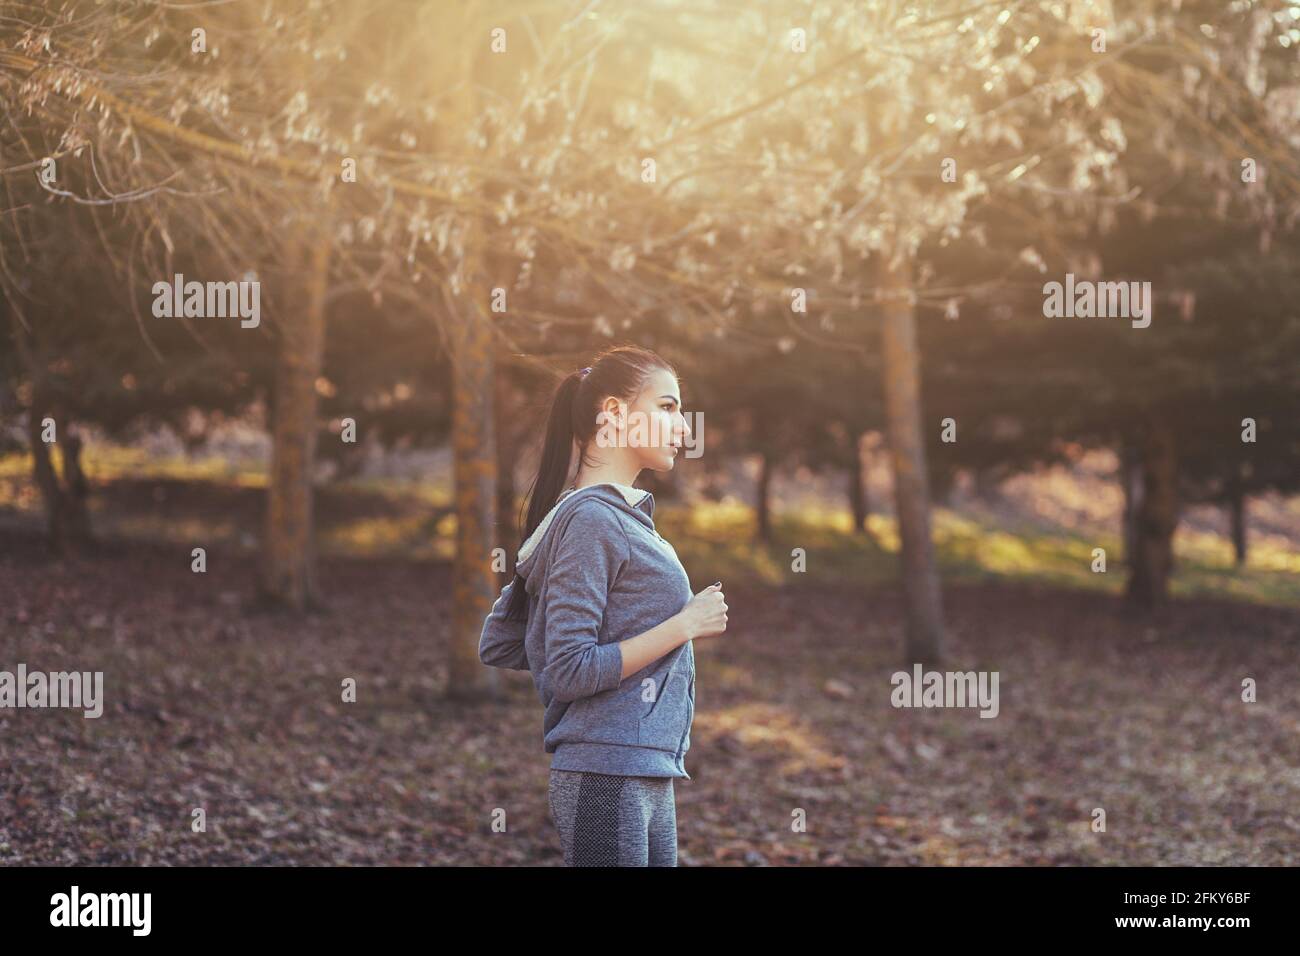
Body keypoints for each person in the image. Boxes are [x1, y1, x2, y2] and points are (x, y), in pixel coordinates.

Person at [479, 344, 728, 866]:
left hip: (643, 765)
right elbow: (567, 669)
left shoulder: (607, 517)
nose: (683, 428)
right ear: (614, 413)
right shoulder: (590, 520)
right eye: (667, 407)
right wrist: (683, 625)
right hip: (604, 769)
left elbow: (507, 640)